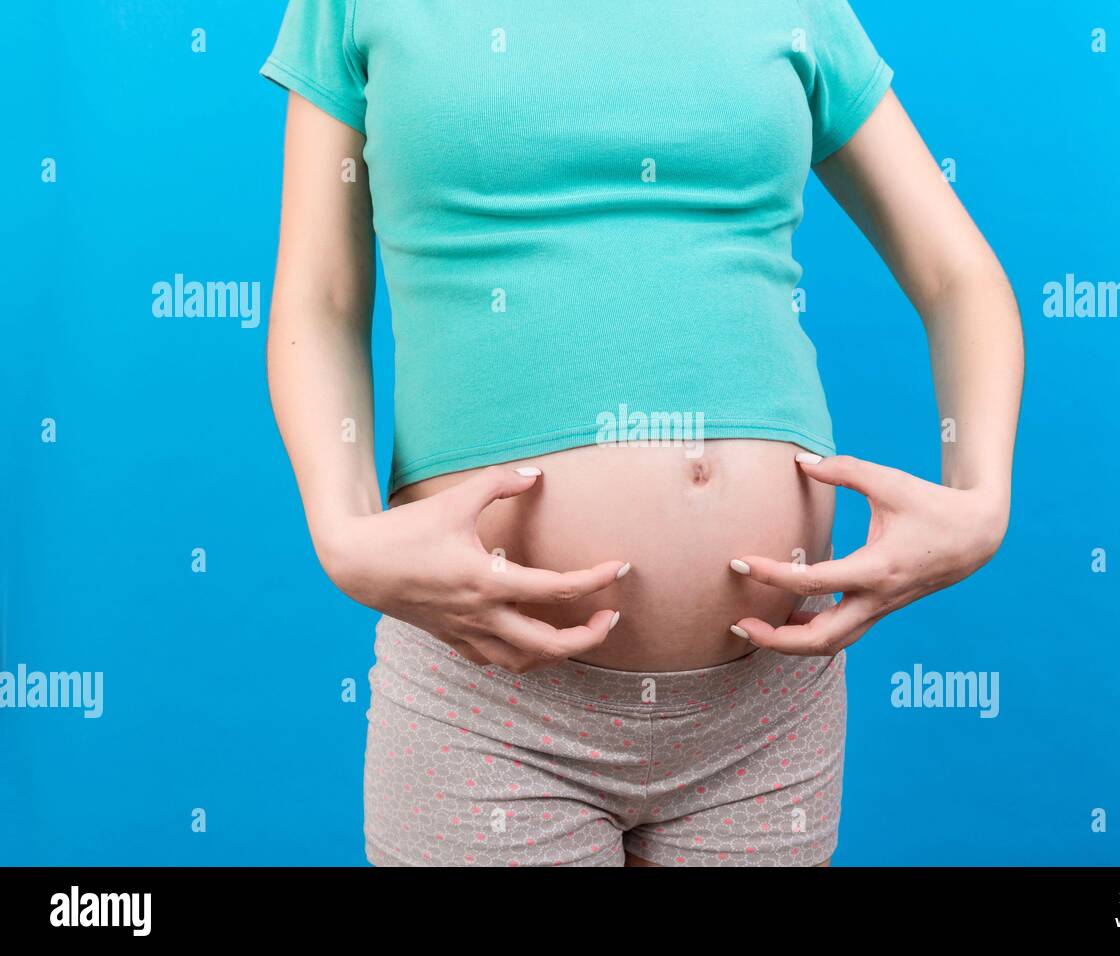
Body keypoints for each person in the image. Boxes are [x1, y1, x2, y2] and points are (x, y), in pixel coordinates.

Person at [259, 0, 1023, 867]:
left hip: (768, 715)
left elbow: (958, 273)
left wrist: (981, 497)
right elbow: (319, 301)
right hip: (492, 703)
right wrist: (341, 532)